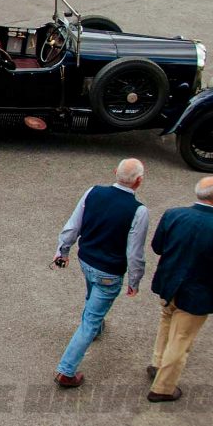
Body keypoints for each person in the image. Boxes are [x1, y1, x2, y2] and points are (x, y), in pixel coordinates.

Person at [53, 159, 149, 389]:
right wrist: (134, 280)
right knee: (90, 321)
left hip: (86, 260)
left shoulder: (93, 192)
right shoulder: (139, 210)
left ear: (116, 172)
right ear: (139, 181)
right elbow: (135, 251)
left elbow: (72, 226)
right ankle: (66, 371)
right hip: (109, 272)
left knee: (92, 295)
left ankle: (97, 327)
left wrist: (63, 251)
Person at [146, 177, 213, 403]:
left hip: (169, 283)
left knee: (166, 321)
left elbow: (157, 246)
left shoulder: (173, 214)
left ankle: (157, 363)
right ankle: (163, 387)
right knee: (181, 338)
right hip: (198, 293)